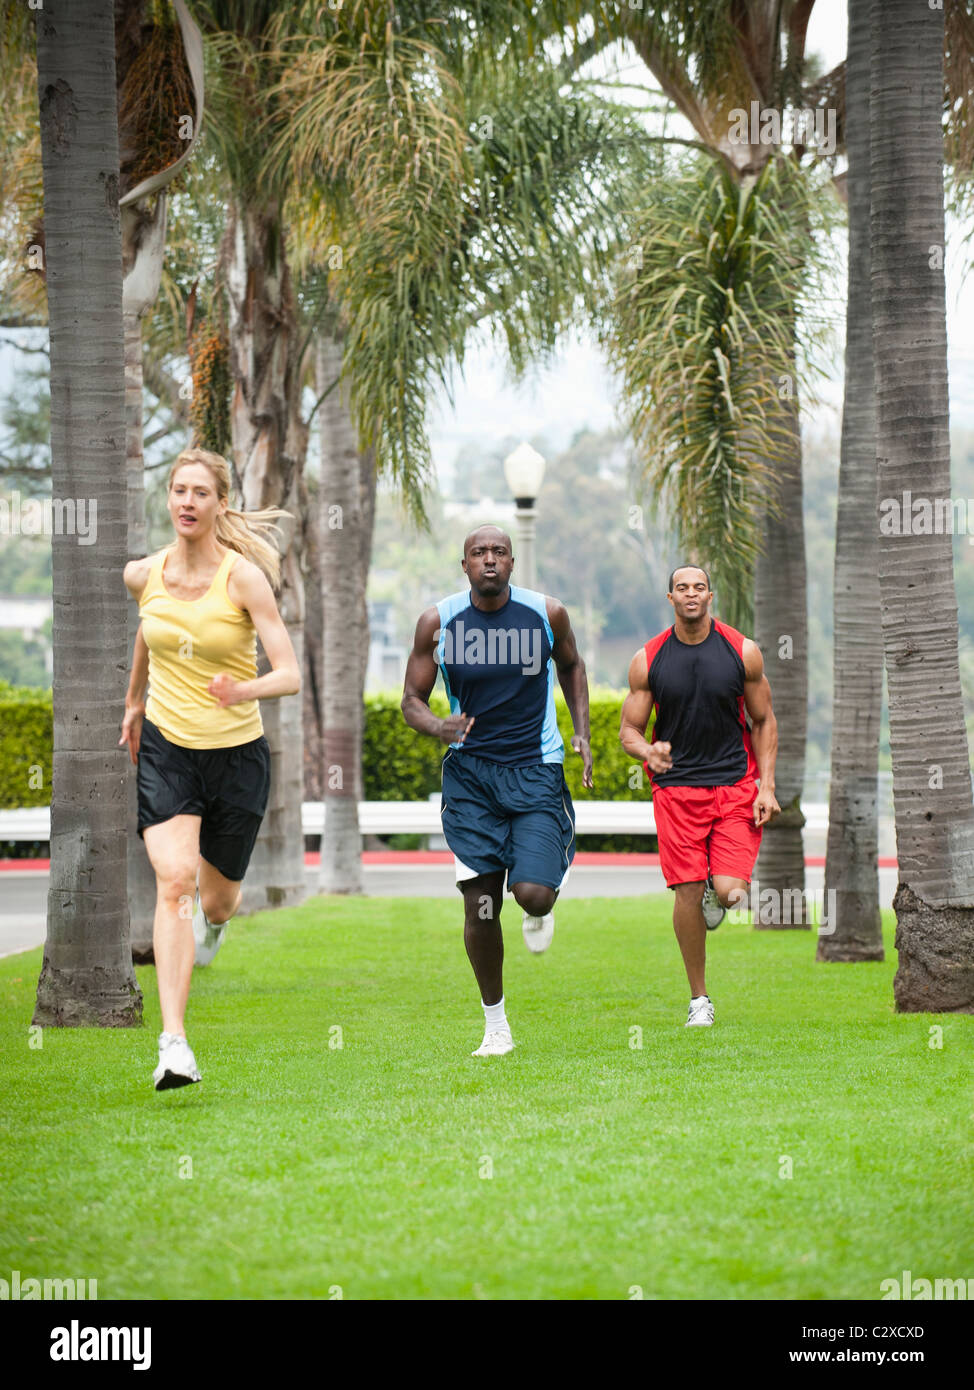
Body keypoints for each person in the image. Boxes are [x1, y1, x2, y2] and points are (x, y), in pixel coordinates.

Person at [120, 448, 301, 1090]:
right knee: (174, 880)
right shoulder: (143, 574)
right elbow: (150, 630)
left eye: (200, 492)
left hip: (237, 758)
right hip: (169, 752)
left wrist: (240, 690)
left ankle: (215, 920)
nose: (187, 502)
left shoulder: (243, 578)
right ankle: (174, 1045)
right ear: (168, 500)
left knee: (218, 899)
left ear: (219, 504)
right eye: (178, 490)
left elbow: (290, 673)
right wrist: (135, 701)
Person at [401, 525, 593, 1057]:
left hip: (535, 769)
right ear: (463, 565)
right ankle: (496, 1025)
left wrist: (581, 729)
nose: (489, 560)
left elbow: (572, 666)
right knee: (480, 905)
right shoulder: (438, 622)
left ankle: (545, 886)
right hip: (470, 778)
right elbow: (411, 700)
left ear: (513, 563)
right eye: (478, 553)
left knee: (533, 895)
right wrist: (437, 724)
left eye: (499, 553)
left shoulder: (547, 614)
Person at [619, 565, 779, 1027]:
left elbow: (763, 720)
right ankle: (699, 1000)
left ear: (710, 595)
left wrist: (766, 786)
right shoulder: (648, 659)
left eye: (699, 587)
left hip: (734, 786)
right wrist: (649, 751)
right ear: (671, 597)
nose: (691, 594)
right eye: (682, 588)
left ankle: (717, 890)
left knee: (731, 895)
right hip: (677, 791)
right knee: (685, 891)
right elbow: (629, 729)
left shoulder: (741, 650)